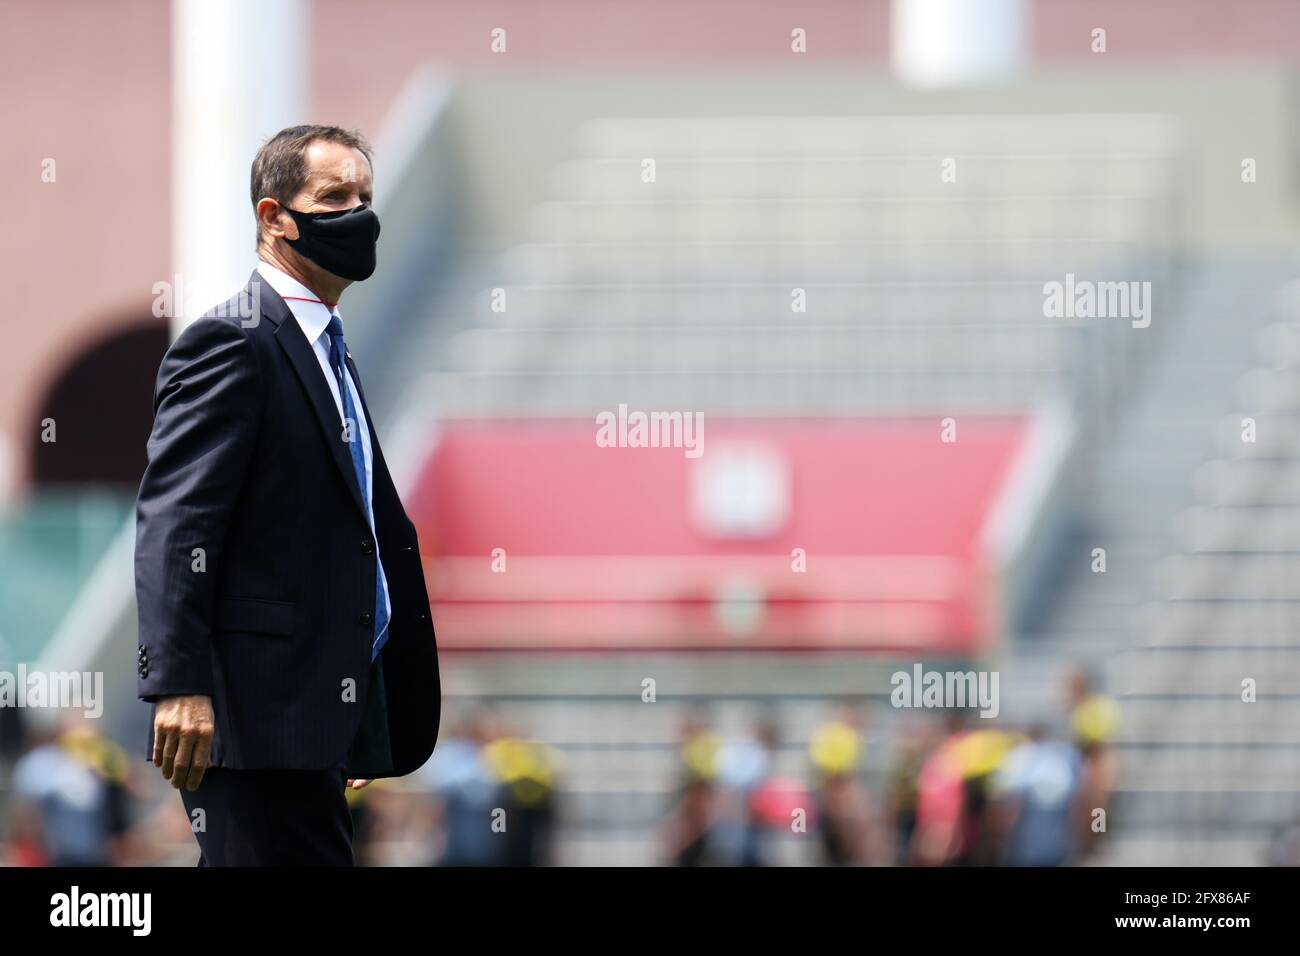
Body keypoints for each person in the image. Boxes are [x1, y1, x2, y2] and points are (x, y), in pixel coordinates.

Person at [134, 125, 441, 865]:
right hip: (253, 718)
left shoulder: (326, 347)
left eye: (364, 196)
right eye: (333, 197)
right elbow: (177, 522)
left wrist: (357, 702)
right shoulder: (234, 341)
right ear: (274, 217)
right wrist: (179, 685)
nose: (357, 214)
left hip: (307, 719)